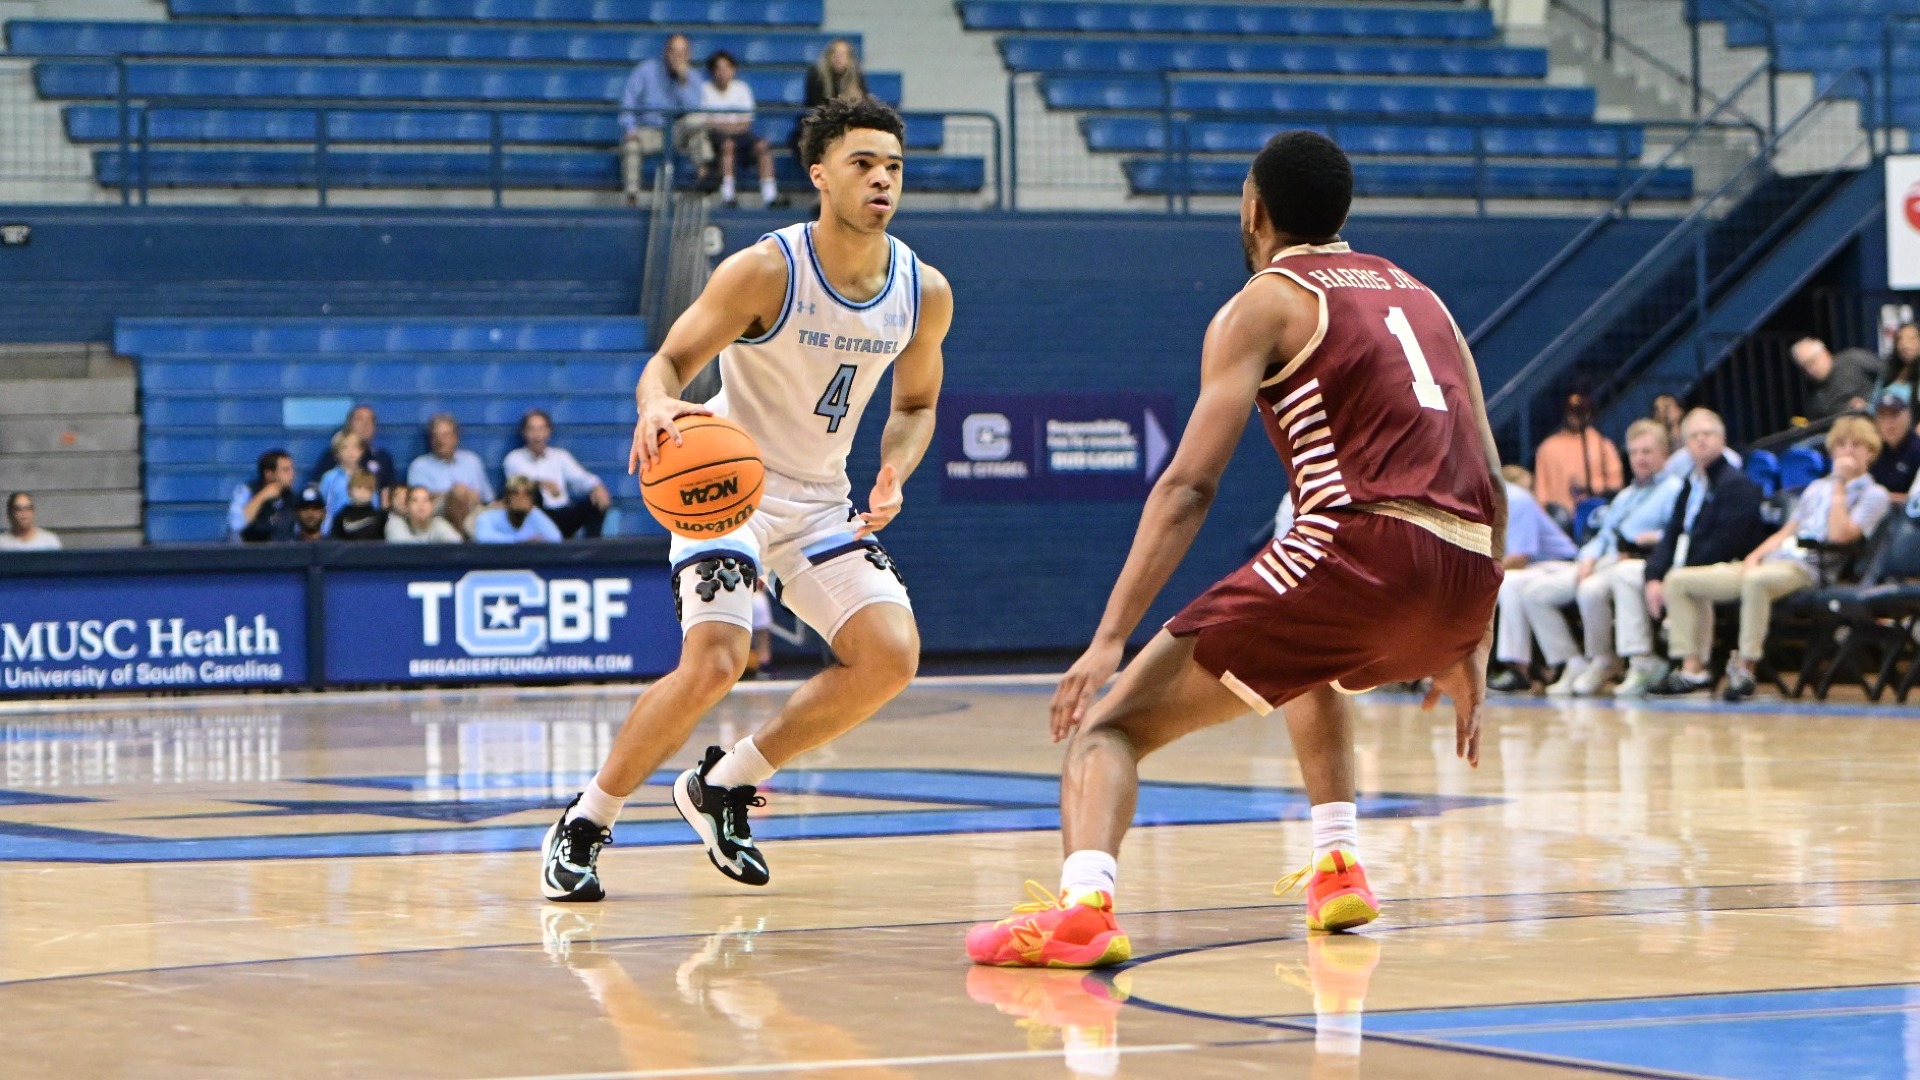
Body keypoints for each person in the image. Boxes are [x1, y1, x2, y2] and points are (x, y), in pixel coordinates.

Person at [965, 130, 1506, 968]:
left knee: (1109, 731)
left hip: (1360, 547)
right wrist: (1472, 638)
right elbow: (1494, 488)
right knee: (1300, 657)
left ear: (1253, 208)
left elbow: (1188, 488)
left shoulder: (1270, 299)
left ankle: (1082, 909)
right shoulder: (1424, 299)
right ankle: (1337, 861)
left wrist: (1110, 638)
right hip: (1468, 567)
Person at [539, 96, 954, 903]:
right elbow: (668, 361)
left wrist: (896, 467)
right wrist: (658, 405)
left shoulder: (922, 289)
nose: (882, 181)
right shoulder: (767, 269)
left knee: (890, 657)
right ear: (819, 175)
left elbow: (916, 406)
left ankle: (725, 784)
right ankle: (586, 821)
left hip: (822, 499)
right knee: (716, 664)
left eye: (893, 167)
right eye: (864, 164)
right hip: (729, 490)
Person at [1652, 416, 1890, 701]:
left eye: (1857, 446)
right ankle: (1692, 670)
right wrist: (1754, 556)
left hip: (1809, 569)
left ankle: (1745, 669)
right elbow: (1787, 531)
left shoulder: (1875, 495)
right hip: (1774, 562)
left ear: (1872, 452)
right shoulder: (1816, 488)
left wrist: (1839, 483)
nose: (1848, 452)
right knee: (1679, 581)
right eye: (1841, 445)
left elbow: (1840, 535)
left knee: (1756, 582)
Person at [1519, 420, 1682, 697]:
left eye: (1647, 451)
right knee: (1535, 593)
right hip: (1602, 561)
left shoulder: (1675, 488)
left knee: (1591, 590)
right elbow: (1603, 535)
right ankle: (1572, 661)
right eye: (1634, 452)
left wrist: (1650, 538)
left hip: (1638, 559)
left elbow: (1677, 531)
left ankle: (1611, 659)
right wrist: (1589, 558)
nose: (1640, 458)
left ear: (1663, 454)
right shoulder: (1626, 496)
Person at [1637, 408, 1774, 697]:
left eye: (1707, 434)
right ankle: (1667, 664)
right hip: (1698, 566)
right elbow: (1672, 534)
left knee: (1682, 581)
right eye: (1694, 436)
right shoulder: (1692, 485)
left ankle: (1691, 668)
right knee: (1666, 577)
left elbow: (1729, 541)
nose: (1701, 441)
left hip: (1735, 566)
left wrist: (1680, 569)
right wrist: (1653, 576)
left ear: (1722, 440)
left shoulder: (1738, 484)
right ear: (1685, 445)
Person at [1486, 475, 1581, 692]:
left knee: (1508, 583)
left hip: (1557, 565)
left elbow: (1519, 558)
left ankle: (1517, 668)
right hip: (1531, 570)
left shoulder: (1516, 499)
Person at [618, 33, 703, 207]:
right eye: (674, 51)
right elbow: (628, 102)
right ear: (666, 52)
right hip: (649, 130)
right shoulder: (645, 70)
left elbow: (693, 109)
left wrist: (682, 81)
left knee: (696, 125)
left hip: (677, 132)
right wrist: (630, 128)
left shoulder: (692, 77)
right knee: (631, 146)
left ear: (688, 55)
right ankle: (632, 197)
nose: (677, 56)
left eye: (682, 52)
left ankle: (705, 180)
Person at [503, 409, 612, 539]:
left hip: (562, 513)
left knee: (595, 498)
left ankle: (593, 549)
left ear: (549, 432)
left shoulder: (560, 457)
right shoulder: (514, 458)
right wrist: (541, 484)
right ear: (524, 433)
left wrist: (596, 486)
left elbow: (581, 478)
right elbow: (519, 484)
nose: (537, 435)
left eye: (541, 429)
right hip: (537, 515)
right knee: (532, 493)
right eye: (531, 429)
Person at [699, 50, 776, 208]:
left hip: (742, 135)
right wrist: (728, 126)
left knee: (762, 146)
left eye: (726, 68)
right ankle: (728, 195)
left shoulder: (742, 88)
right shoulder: (705, 89)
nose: (723, 73)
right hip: (715, 137)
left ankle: (770, 195)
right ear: (713, 72)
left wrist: (723, 124)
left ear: (733, 70)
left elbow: (746, 122)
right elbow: (705, 121)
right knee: (728, 145)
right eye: (718, 69)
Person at [1531, 392, 1623, 519]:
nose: (1575, 417)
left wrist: (1593, 491)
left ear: (1590, 414)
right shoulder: (1547, 448)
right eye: (1572, 413)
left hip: (1595, 514)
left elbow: (1615, 484)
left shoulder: (1602, 444)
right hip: (1560, 519)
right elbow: (1541, 492)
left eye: (1581, 412)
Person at [407, 414, 494, 536]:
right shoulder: (419, 466)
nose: (440, 440)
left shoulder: (472, 460)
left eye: (445, 435)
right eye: (435, 436)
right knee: (457, 493)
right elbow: (418, 501)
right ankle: (463, 542)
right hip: (438, 515)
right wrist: (453, 494)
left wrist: (470, 495)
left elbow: (487, 498)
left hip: (474, 511)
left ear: (456, 437)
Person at [308, 404, 400, 502]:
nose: (365, 424)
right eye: (359, 419)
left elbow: (387, 492)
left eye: (370, 420)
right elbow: (317, 489)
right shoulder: (332, 455)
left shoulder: (383, 458)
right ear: (349, 424)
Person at [1791, 336, 1881, 420]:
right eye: (1804, 367)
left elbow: (1890, 374)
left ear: (1824, 352)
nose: (1810, 369)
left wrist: (1870, 404)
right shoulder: (1814, 399)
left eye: (1812, 362)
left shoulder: (1853, 360)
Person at [228, 449, 297, 543]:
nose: (292, 474)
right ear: (269, 474)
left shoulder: (292, 498)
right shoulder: (247, 491)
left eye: (292, 469)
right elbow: (236, 525)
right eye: (286, 470)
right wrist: (262, 496)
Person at [318, 429, 379, 534]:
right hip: (337, 530)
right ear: (336, 453)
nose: (351, 452)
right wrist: (325, 531)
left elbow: (375, 504)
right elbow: (324, 507)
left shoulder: (368, 476)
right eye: (345, 448)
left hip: (365, 528)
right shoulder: (329, 478)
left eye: (355, 447)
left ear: (361, 451)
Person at [474, 476, 563, 544]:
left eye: (526, 495)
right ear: (507, 498)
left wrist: (532, 510)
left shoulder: (534, 517)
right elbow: (483, 537)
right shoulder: (487, 517)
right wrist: (519, 540)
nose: (521, 499)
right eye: (516, 494)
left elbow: (555, 538)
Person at [1871, 390, 1920, 502]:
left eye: (1894, 415)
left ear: (1908, 415)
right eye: (1883, 416)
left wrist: (1881, 498)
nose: (1889, 423)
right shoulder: (1874, 448)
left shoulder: (1917, 450)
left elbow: (1916, 501)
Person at [385, 485, 465, 543]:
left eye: (425, 500)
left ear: (432, 506)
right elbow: (405, 552)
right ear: (407, 506)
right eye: (415, 500)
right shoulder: (395, 524)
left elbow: (458, 546)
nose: (421, 505)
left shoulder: (438, 523)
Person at [328, 471, 387, 541]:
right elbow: (334, 543)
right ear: (349, 490)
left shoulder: (380, 517)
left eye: (367, 488)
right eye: (359, 487)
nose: (363, 492)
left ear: (373, 492)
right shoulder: (341, 516)